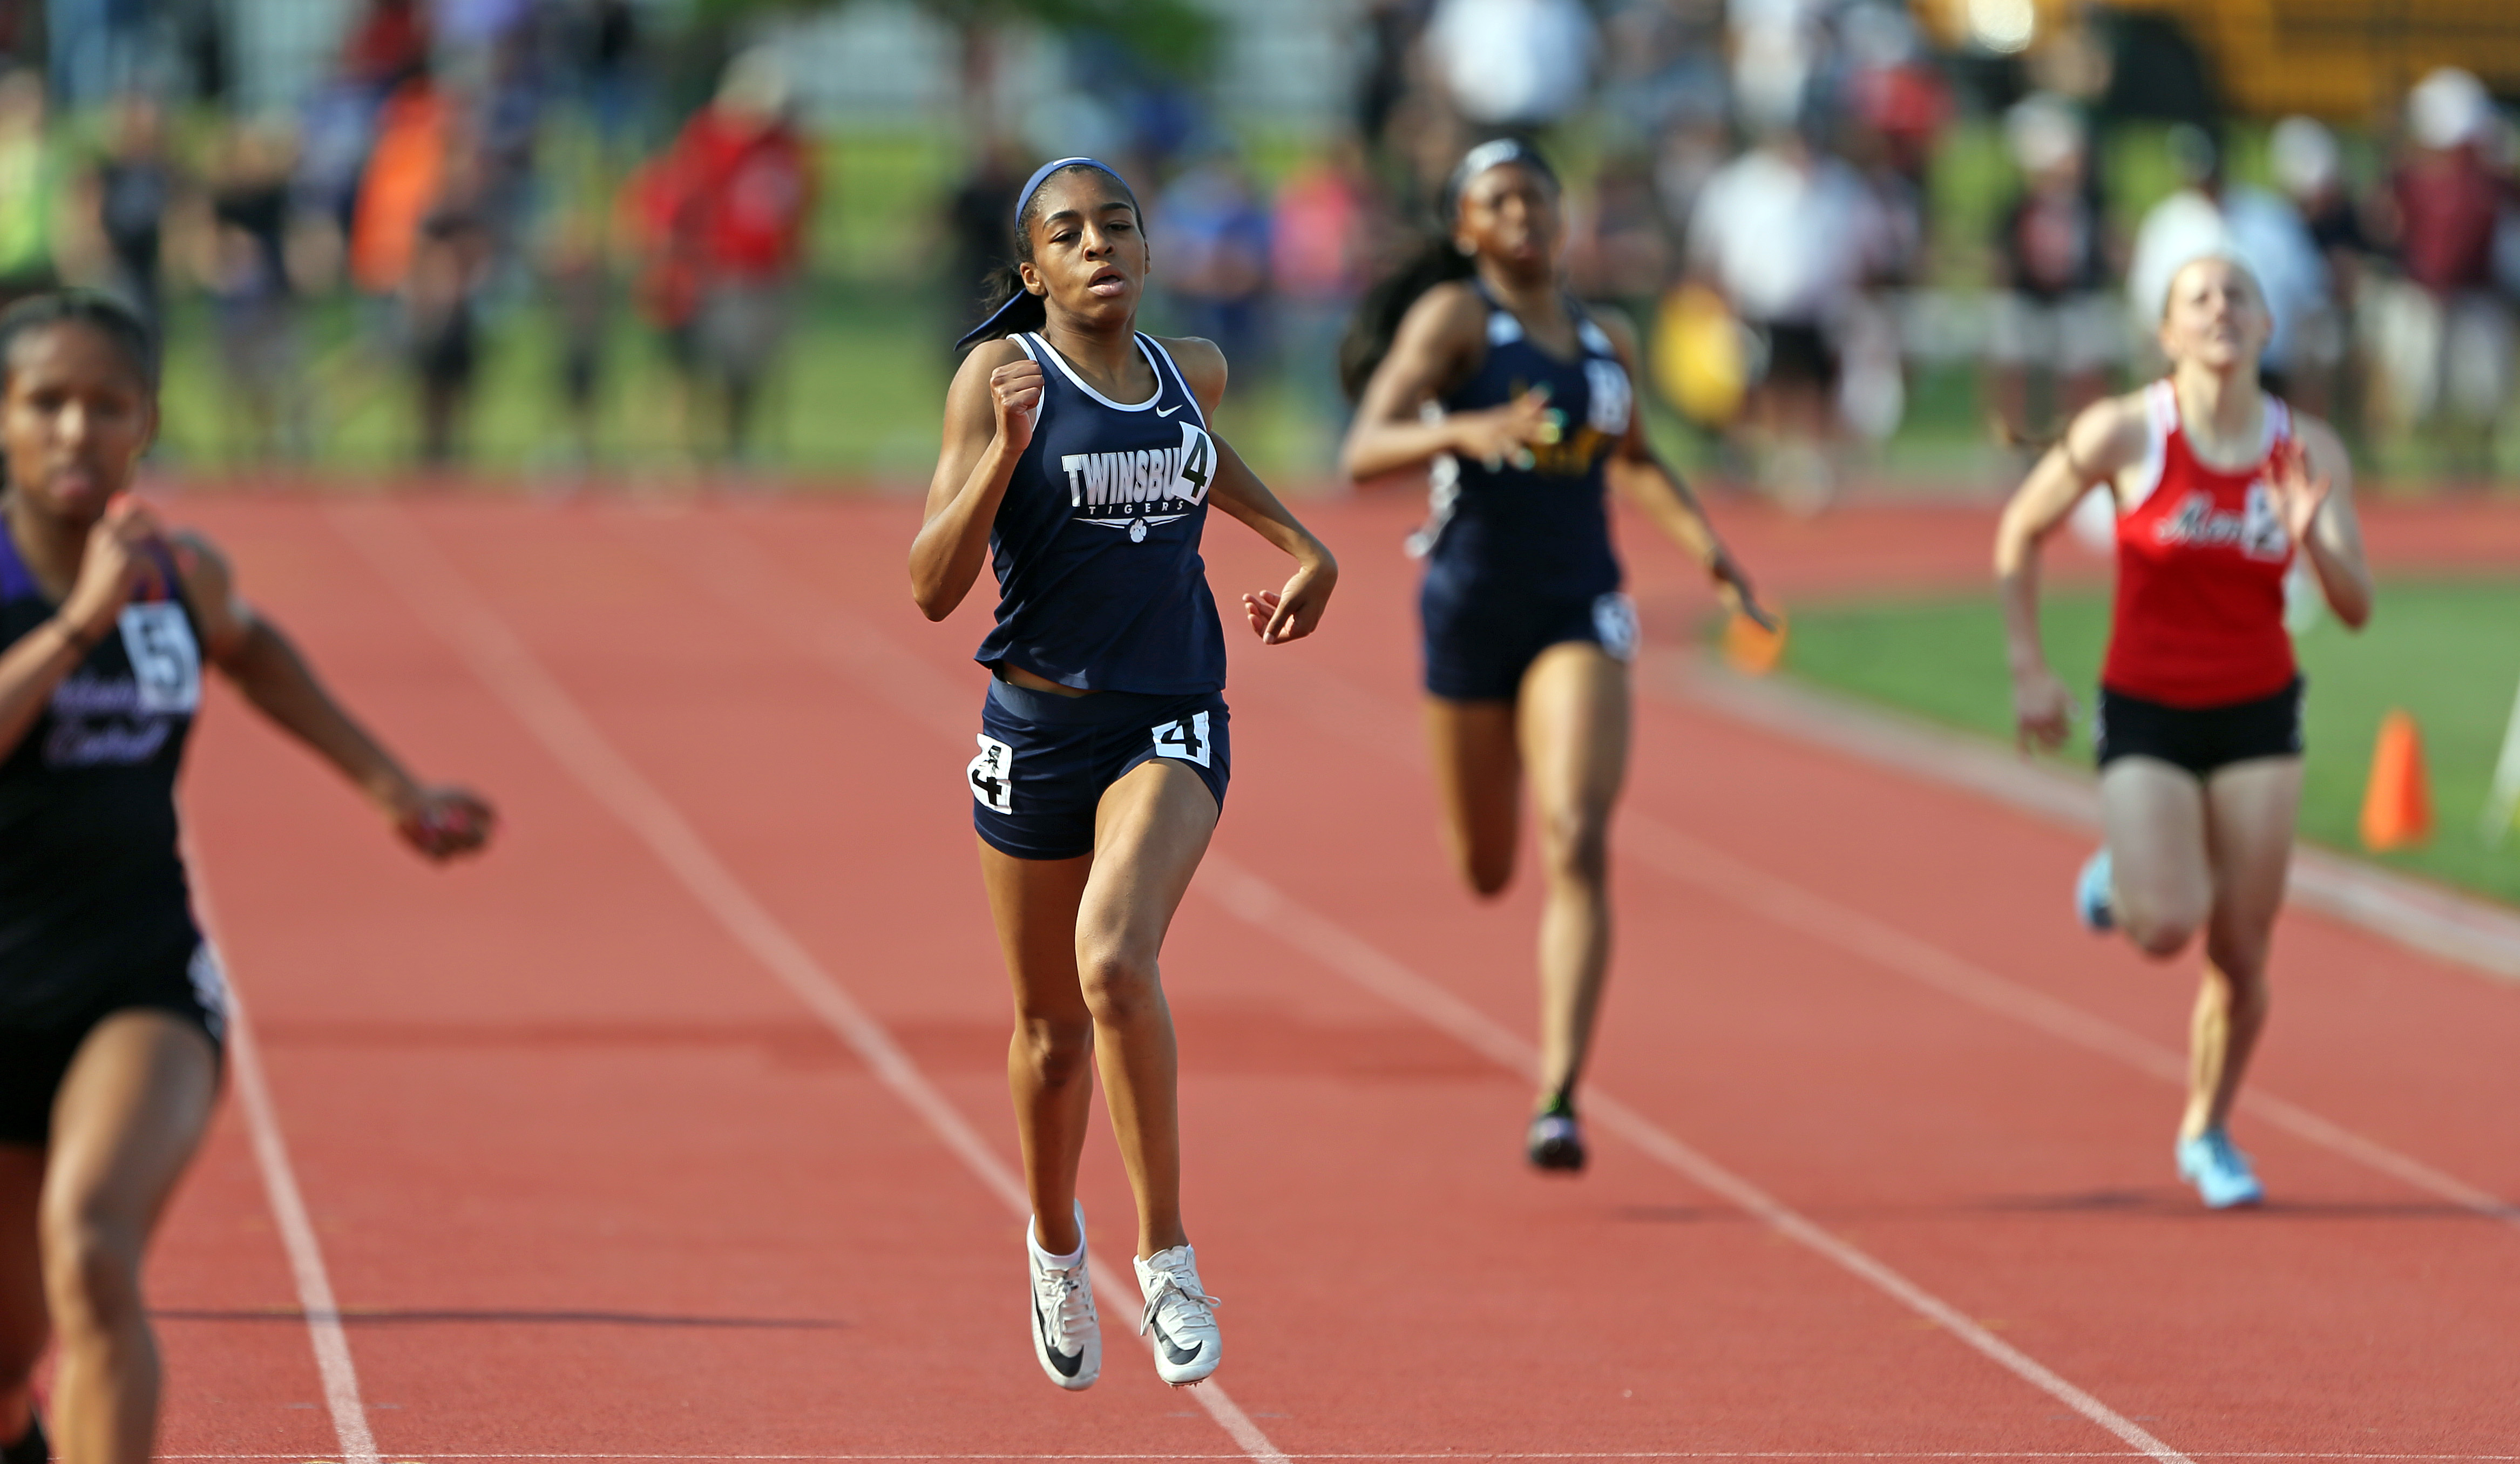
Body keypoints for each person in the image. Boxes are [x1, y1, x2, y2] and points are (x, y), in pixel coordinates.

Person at [0, 292, 494, 1464]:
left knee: (94, 1250)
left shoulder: (179, 574)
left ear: (149, 422)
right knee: (6, 1358)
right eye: (47, 402)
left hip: (136, 983)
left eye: (107, 404)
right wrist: (79, 623)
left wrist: (393, 789)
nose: (76, 430)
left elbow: (252, 649)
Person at [909, 159, 1337, 1392]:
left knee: (1113, 959)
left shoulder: (1193, 368)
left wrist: (1301, 544)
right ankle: (1055, 1245)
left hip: (1170, 718)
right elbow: (931, 587)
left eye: (1117, 226)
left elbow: (1199, 449)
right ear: (1033, 270)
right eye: (1068, 234)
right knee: (1050, 1034)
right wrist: (1001, 455)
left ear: (1148, 251)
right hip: (1036, 732)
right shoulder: (998, 380)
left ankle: (1166, 1258)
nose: (1097, 245)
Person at [1336, 139, 1765, 1174]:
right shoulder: (1455, 322)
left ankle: (1559, 1094)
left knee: (1576, 833)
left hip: (1579, 606)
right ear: (1467, 228)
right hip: (1469, 611)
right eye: (1499, 201)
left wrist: (1710, 553)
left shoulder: (1607, 338)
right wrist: (1465, 430)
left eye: (1537, 195)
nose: (1524, 213)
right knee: (1488, 868)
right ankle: (1551, 1061)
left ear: (1565, 213)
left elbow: (1638, 458)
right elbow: (1363, 451)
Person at [1995, 253, 2372, 1210]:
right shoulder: (2126, 431)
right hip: (2149, 708)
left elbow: (2357, 607)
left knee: (2241, 954)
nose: (2220, 309)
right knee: (2166, 924)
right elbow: (2019, 531)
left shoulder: (2309, 448)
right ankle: (2123, 878)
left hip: (2258, 712)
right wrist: (2029, 668)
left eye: (2239, 294)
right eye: (2197, 298)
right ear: (2167, 333)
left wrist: (2311, 534)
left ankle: (2208, 1128)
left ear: (2268, 325)